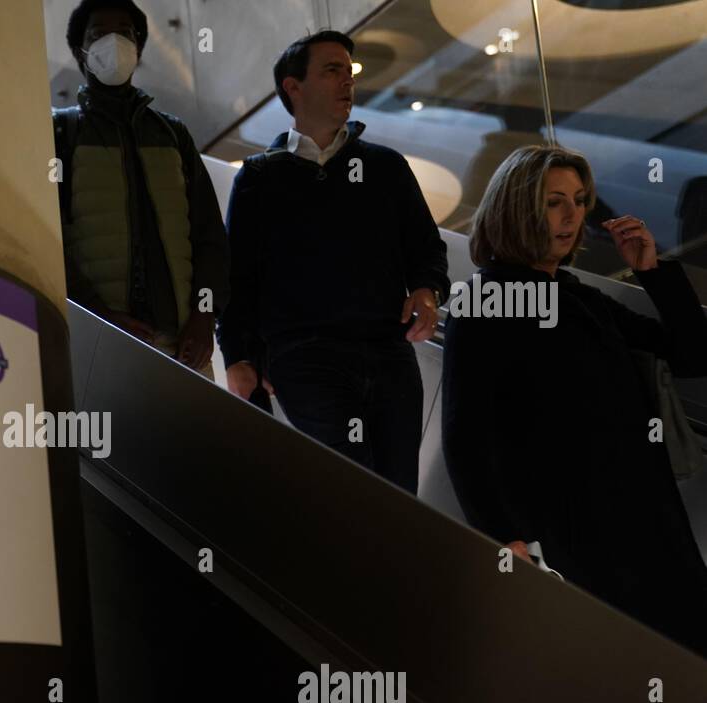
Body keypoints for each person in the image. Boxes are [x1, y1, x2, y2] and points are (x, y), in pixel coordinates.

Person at [442, 144, 707, 653]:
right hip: (572, 533)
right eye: (554, 202)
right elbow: (464, 433)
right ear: (518, 208)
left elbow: (694, 356)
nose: (573, 217)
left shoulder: (577, 295)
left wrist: (653, 272)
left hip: (644, 521)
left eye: (580, 200)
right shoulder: (486, 300)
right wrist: (502, 536)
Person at [217, 30, 449, 492]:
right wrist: (237, 356)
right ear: (293, 87)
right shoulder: (260, 179)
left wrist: (426, 289)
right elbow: (237, 279)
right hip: (305, 357)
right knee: (356, 489)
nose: (347, 82)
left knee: (399, 493)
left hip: (389, 355)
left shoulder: (386, 167)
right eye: (331, 70)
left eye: (349, 72)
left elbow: (426, 247)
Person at [53, 0, 230, 377]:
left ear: (138, 47)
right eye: (98, 34)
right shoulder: (61, 133)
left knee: (193, 436)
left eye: (125, 32)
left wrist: (204, 315)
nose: (113, 42)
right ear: (80, 51)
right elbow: (51, 239)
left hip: (184, 345)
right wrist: (96, 316)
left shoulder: (171, 133)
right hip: (102, 341)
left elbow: (208, 234)